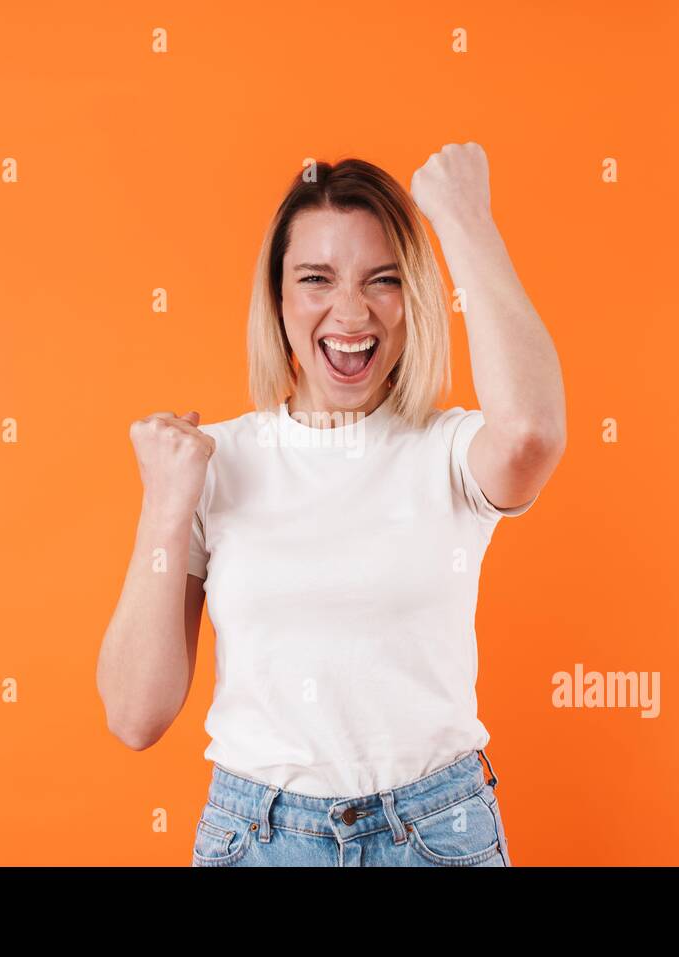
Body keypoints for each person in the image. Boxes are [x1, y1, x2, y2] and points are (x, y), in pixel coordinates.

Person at [97, 143, 566, 866]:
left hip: (435, 833)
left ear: (414, 297)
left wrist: (464, 217)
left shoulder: (447, 450)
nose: (351, 311)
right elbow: (135, 715)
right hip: (257, 839)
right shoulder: (211, 464)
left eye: (383, 279)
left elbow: (533, 433)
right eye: (316, 278)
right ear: (276, 298)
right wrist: (165, 505)